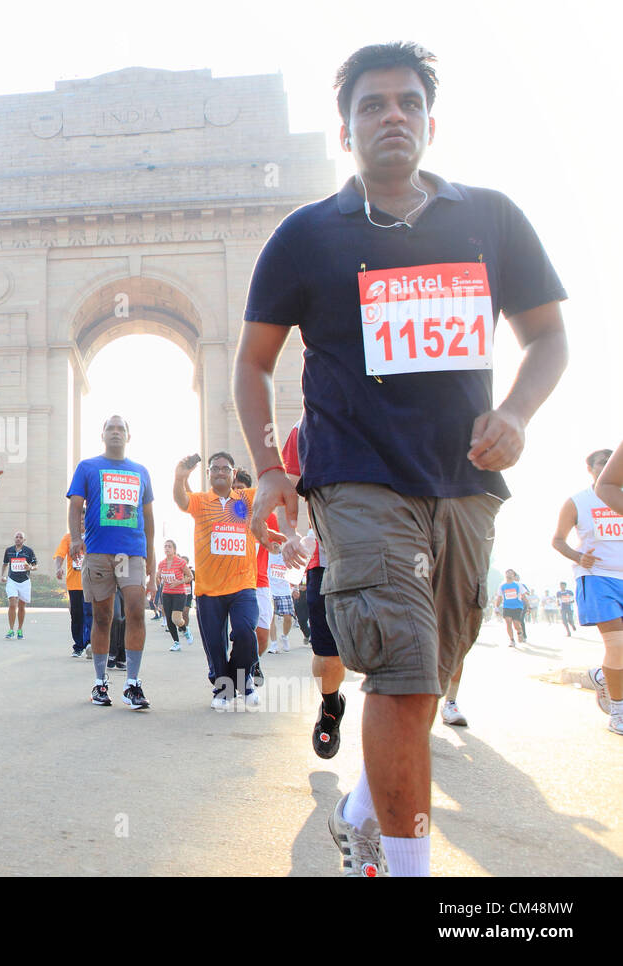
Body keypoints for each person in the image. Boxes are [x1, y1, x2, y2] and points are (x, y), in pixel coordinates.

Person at [235, 43, 568, 876]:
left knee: (431, 676)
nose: (393, 116)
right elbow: (251, 361)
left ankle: (358, 805)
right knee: (405, 669)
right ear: (345, 131)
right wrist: (271, 465)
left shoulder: (490, 217)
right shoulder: (305, 235)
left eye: (408, 102)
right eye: (373, 104)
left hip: (464, 481)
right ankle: (401, 869)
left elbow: (550, 337)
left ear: (430, 120)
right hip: (354, 478)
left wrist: (519, 412)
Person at [68, 415, 156, 711]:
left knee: (135, 612)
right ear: (102, 434)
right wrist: (75, 538)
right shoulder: (87, 467)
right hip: (98, 552)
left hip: (131, 553)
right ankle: (100, 681)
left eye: (121, 428)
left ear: (129, 436)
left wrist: (152, 563)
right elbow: (75, 505)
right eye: (110, 428)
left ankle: (132, 683)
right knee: (103, 617)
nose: (115, 432)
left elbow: (149, 520)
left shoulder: (141, 471)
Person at [280, 421, 350, 759]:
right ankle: (331, 706)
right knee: (327, 657)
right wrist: (290, 535)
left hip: (385, 548)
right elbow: (287, 488)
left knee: (393, 656)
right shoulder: (304, 429)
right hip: (325, 557)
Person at [174, 452, 266, 709]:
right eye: (215, 468)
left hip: (243, 585)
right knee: (215, 644)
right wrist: (179, 476)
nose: (220, 472)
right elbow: (181, 500)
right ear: (209, 474)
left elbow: (271, 489)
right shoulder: (202, 501)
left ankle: (243, 678)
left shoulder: (247, 498)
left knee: (246, 633)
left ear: (234, 473)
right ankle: (223, 688)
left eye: (225, 468)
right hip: (209, 589)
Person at [553, 448, 623, 735]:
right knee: (617, 645)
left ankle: (601, 675)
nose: (607, 466)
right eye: (601, 462)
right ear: (590, 469)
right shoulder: (577, 502)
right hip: (596, 577)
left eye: (611, 461)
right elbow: (558, 540)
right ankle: (618, 712)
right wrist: (578, 556)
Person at [54, 531, 91, 658]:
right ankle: (78, 646)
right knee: (76, 616)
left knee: (90, 614)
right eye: (79, 519)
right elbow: (59, 555)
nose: (81, 521)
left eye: (83, 519)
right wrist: (58, 568)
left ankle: (89, 643)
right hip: (74, 584)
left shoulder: (93, 533)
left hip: (91, 582)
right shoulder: (68, 537)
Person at [0, 531, 37, 639]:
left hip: (24, 581)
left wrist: (30, 568)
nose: (18, 539)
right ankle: (11, 630)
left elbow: (36, 566)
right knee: (12, 604)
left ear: (24, 540)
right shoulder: (9, 550)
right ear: (14, 539)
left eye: (21, 537)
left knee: (21, 606)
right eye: (17, 537)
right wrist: (2, 575)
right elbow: (5, 564)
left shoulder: (29, 551)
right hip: (12, 580)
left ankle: (19, 630)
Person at [156, 539, 190, 651]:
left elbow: (190, 577)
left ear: (174, 549)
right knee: (169, 619)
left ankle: (185, 629)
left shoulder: (180, 562)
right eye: (165, 546)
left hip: (179, 593)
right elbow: (159, 577)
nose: (167, 548)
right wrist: (157, 576)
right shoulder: (161, 563)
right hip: (166, 593)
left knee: (176, 618)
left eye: (169, 546)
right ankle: (176, 643)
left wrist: (178, 582)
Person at [497, 569, 525, 647]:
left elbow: (523, 595)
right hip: (506, 607)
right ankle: (512, 640)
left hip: (517, 607)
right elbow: (499, 597)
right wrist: (496, 607)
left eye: (511, 573)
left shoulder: (518, 585)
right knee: (508, 623)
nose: (509, 574)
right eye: (507, 573)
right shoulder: (502, 586)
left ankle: (519, 632)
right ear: (505, 575)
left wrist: (528, 606)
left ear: (513, 575)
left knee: (516, 624)